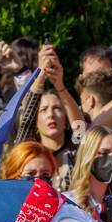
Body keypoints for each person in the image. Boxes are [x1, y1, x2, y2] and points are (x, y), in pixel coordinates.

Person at [11, 44, 85, 188]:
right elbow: (26, 120)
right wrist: (40, 75)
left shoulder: (77, 151)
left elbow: (80, 127)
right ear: (35, 122)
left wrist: (60, 85)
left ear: (66, 119)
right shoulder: (27, 152)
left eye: (57, 108)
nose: (51, 114)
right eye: (43, 110)